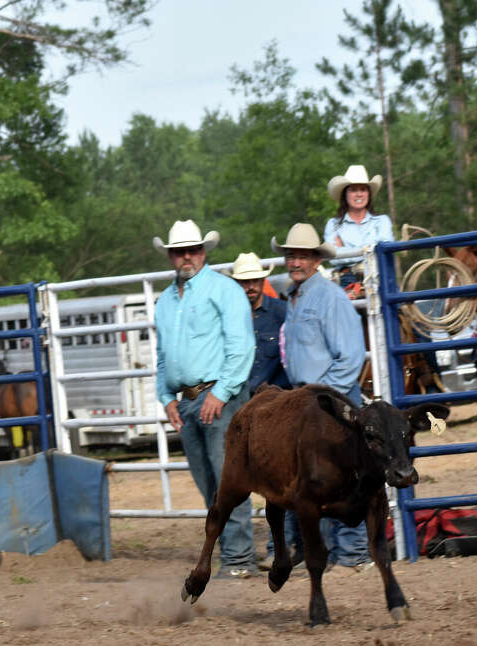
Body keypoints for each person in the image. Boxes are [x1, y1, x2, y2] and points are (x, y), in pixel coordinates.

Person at [152, 220, 257, 578]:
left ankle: (240, 559)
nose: (187, 257)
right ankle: (232, 555)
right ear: (170, 255)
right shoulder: (164, 301)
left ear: (203, 252)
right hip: (187, 400)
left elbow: (241, 346)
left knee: (230, 478)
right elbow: (163, 356)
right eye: (180, 251)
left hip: (219, 396)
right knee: (207, 482)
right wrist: (166, 397)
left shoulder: (223, 289)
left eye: (193, 250)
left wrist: (221, 392)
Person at [274, 223, 370, 571]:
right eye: (291, 255)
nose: (296, 261)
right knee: (319, 477)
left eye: (302, 255)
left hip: (331, 397)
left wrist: (321, 396)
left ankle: (354, 553)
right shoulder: (294, 297)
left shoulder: (329, 297)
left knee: (343, 475)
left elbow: (351, 355)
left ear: (316, 259)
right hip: (310, 398)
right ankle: (332, 553)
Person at [324, 164, 394, 295]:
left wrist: (345, 250)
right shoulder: (333, 224)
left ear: (368, 193)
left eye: (363, 189)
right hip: (346, 280)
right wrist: (370, 249)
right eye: (354, 190)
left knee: (398, 310)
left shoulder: (382, 221)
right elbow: (333, 257)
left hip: (379, 278)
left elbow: (385, 251)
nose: (359, 194)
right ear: (345, 194)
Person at [230, 252, 289, 393]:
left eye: (255, 280)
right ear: (237, 284)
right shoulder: (230, 317)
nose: (251, 286)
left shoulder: (283, 312)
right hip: (243, 397)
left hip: (277, 395)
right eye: (245, 281)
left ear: (263, 281)